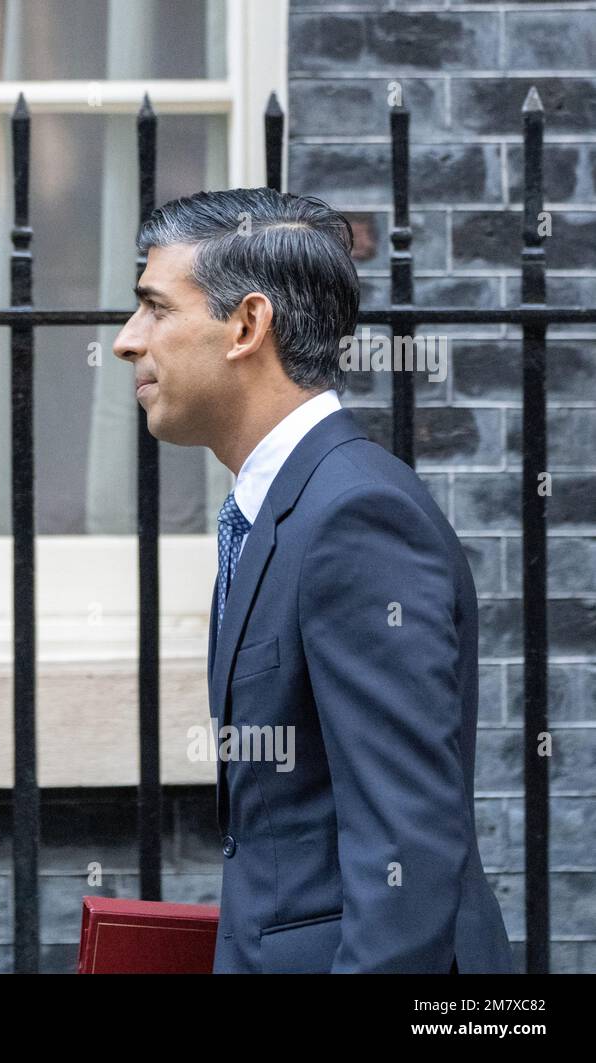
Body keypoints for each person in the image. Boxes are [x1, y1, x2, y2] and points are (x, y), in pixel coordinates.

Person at [112, 187, 514, 974]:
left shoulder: (355, 514)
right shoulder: (284, 504)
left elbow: (408, 847)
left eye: (155, 307)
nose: (129, 340)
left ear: (248, 326)